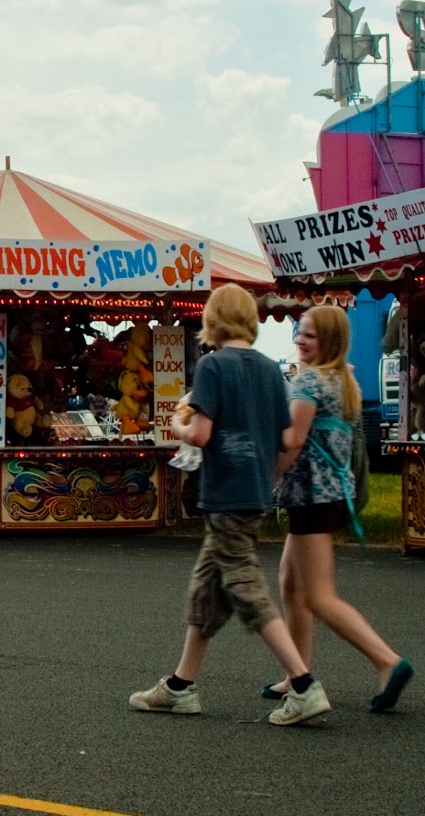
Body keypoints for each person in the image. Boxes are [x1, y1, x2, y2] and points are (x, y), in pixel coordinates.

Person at [129, 284, 331, 726]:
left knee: (245, 586)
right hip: (256, 489)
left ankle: (303, 683)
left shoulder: (212, 366)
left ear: (213, 320)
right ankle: (181, 686)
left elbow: (200, 435)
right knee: (207, 590)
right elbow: (283, 438)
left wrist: (178, 425)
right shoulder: (270, 371)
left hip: (224, 491)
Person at [268, 306, 414, 712]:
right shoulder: (342, 378)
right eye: (300, 332)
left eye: (309, 335)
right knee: (289, 581)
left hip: (309, 496)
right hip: (332, 493)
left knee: (318, 596)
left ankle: (387, 661)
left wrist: (265, 483)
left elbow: (293, 440)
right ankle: (295, 673)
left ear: (327, 341)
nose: (300, 340)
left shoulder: (309, 381)